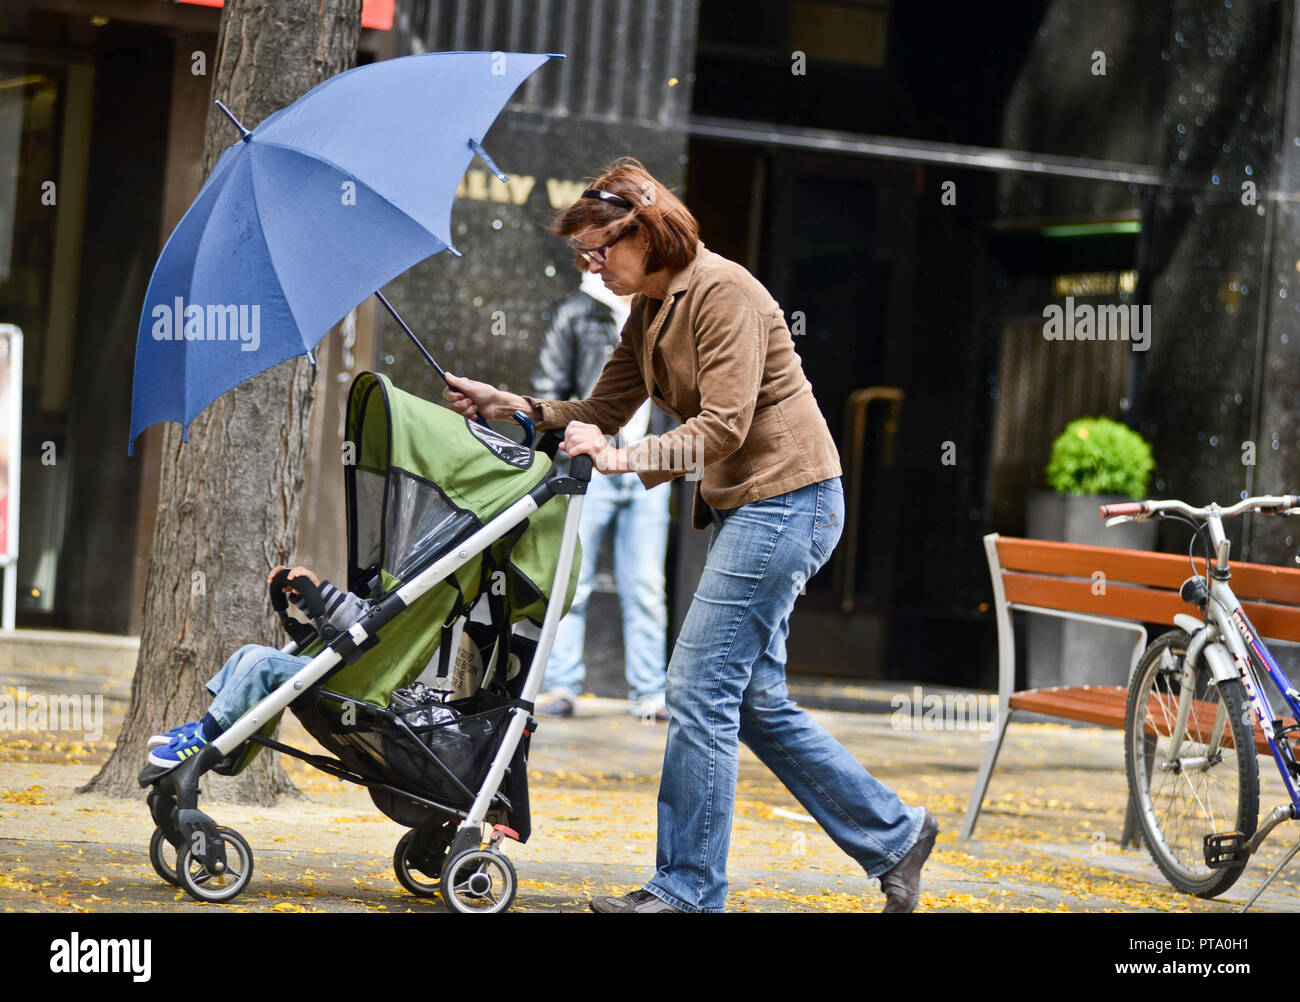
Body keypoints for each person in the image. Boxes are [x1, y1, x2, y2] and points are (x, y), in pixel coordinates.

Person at [443, 158, 938, 914]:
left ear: (645, 234)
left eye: (600, 250)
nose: (591, 266)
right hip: (756, 507)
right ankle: (896, 836)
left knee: (698, 689)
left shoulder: (723, 292)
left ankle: (687, 890)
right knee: (751, 702)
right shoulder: (649, 309)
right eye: (583, 256)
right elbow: (602, 406)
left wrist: (624, 460)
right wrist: (514, 406)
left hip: (791, 499)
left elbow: (725, 425)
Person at [531, 269, 672, 721]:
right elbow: (549, 388)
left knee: (647, 586)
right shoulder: (576, 314)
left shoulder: (661, 313)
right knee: (574, 580)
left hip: (646, 463)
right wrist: (568, 457)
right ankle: (559, 686)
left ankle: (651, 693)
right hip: (589, 465)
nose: (601, 264)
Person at [146, 565, 365, 770]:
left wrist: (318, 588)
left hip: (347, 676)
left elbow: (360, 623)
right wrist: (307, 593)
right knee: (249, 652)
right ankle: (207, 727)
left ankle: (205, 737)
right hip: (335, 663)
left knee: (262, 662)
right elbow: (348, 624)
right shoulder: (380, 589)